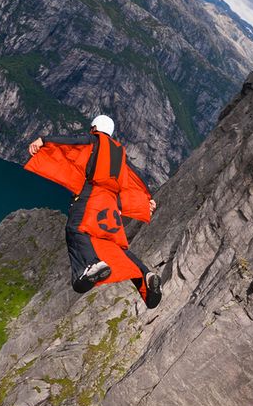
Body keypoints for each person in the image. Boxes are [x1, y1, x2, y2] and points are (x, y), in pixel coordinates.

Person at [25, 115, 162, 308]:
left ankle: (92, 264)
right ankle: (146, 277)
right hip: (111, 205)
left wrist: (44, 140)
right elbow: (134, 179)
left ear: (96, 128)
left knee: (75, 230)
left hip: (93, 197)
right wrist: (146, 200)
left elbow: (74, 141)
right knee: (115, 248)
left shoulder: (96, 139)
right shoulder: (119, 153)